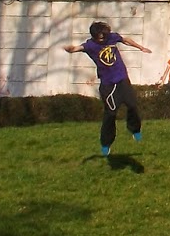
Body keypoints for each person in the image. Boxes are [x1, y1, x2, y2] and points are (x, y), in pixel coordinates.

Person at [63, 21, 152, 155]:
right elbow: (77, 48)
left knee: (132, 104)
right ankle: (106, 143)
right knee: (110, 114)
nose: (103, 39)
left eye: (104, 36)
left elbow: (125, 40)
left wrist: (140, 47)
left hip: (122, 79)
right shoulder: (90, 45)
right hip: (108, 85)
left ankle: (135, 130)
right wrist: (70, 49)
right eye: (100, 37)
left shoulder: (111, 37)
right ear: (94, 36)